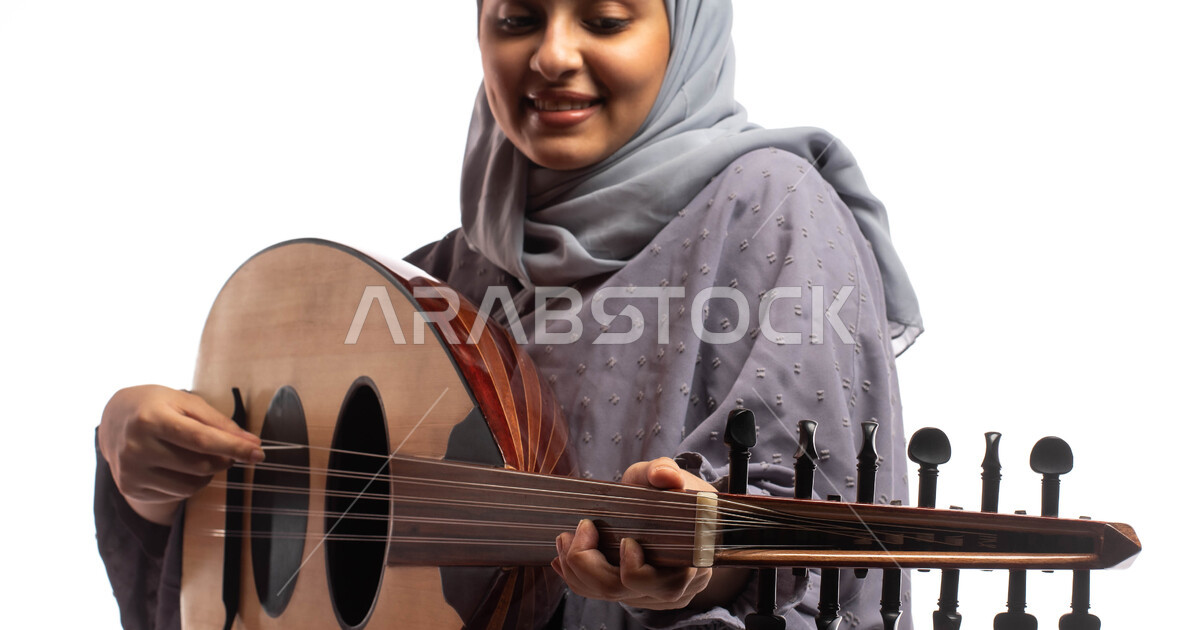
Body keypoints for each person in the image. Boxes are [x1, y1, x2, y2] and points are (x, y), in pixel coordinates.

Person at [96, 1, 923, 628]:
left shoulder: (772, 208)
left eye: (605, 18)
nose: (554, 56)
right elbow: (262, 553)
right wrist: (140, 450)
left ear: (687, 33)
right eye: (517, 18)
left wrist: (696, 569)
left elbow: (811, 517)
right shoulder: (445, 277)